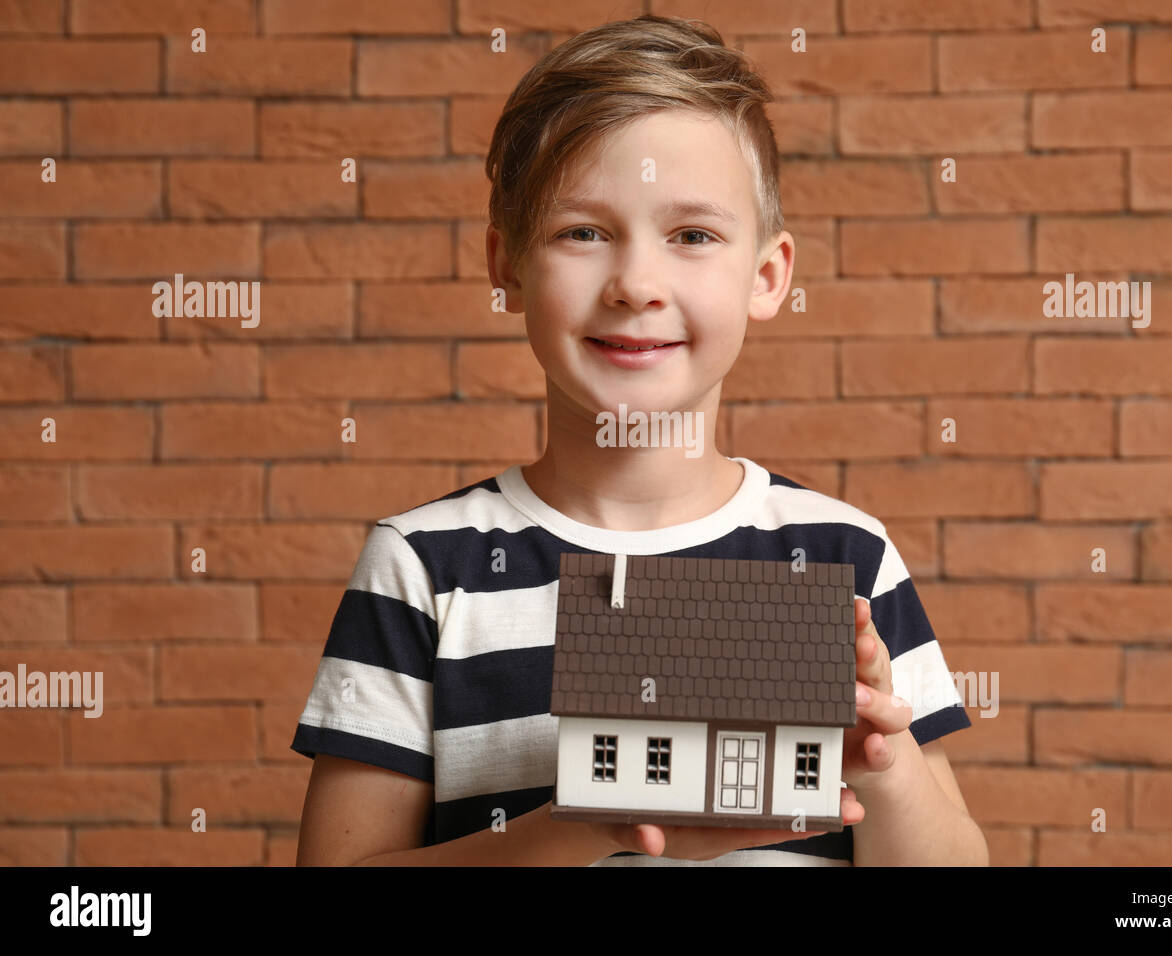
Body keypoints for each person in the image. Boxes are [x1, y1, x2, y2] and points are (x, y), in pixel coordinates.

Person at [292, 13, 987, 867]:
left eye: (692, 235)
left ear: (767, 276)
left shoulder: (849, 556)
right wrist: (581, 825)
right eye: (582, 232)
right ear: (506, 266)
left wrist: (883, 760)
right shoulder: (423, 567)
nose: (635, 285)